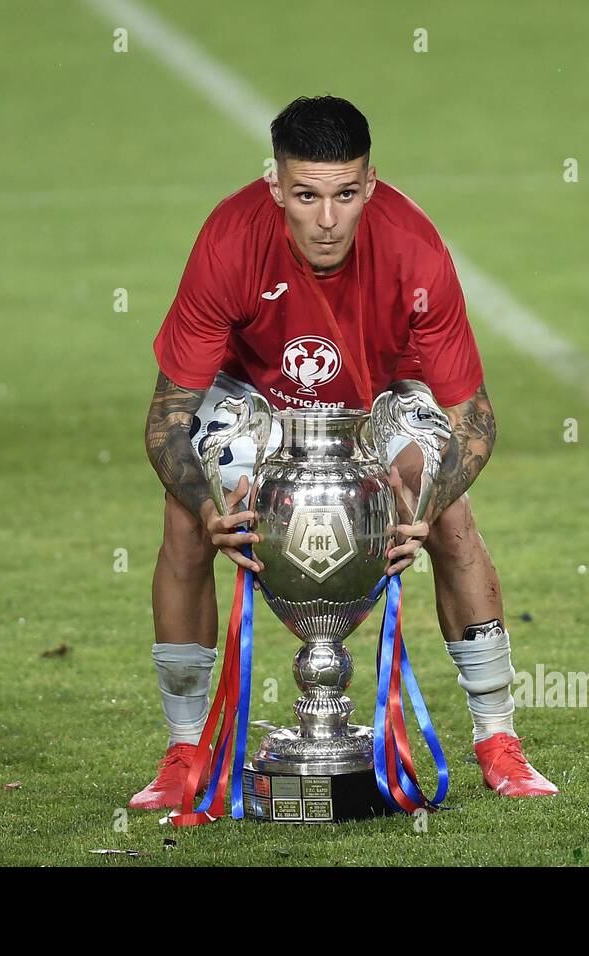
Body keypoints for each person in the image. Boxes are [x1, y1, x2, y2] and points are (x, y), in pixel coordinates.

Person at [134, 95, 557, 811]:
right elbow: (166, 420)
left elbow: (475, 420)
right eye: (306, 196)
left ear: (370, 183)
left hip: (374, 397)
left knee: (451, 520)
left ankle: (498, 741)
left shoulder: (414, 247)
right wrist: (210, 506)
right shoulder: (229, 240)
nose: (327, 221)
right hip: (255, 399)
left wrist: (426, 503)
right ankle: (184, 752)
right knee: (183, 521)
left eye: (345, 195)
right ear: (275, 186)